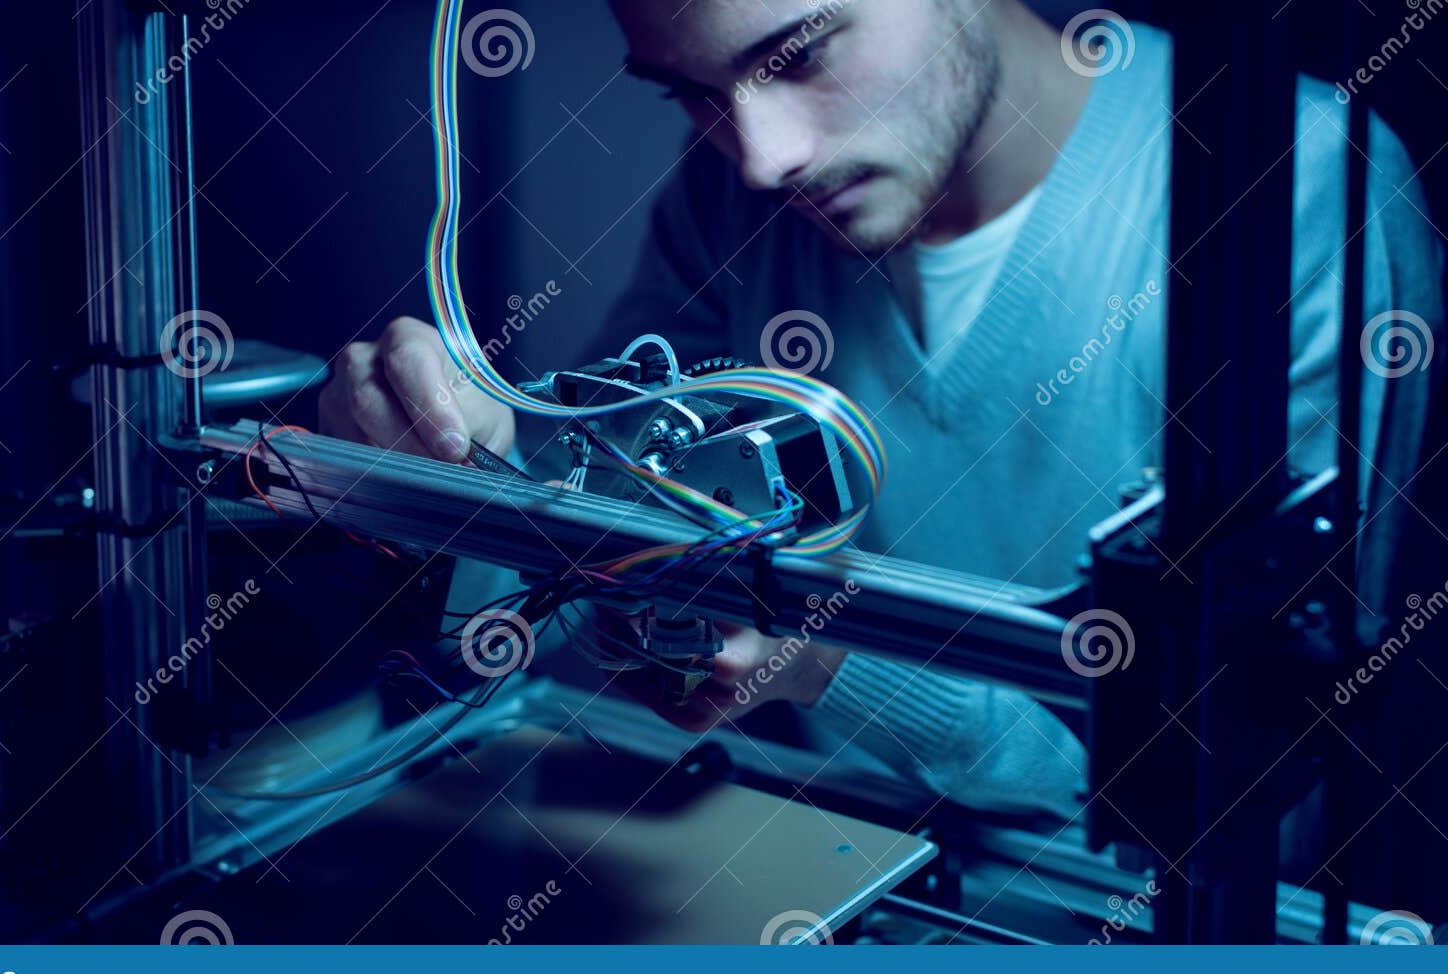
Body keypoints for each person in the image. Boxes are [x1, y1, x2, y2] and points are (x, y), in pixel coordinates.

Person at [319, 1, 1443, 820]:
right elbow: (590, 541)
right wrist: (455, 468)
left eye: (800, 53)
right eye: (697, 95)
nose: (762, 158)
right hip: (796, 843)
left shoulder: (1288, 189)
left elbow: (1235, 791)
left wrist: (827, 662)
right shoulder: (733, 196)